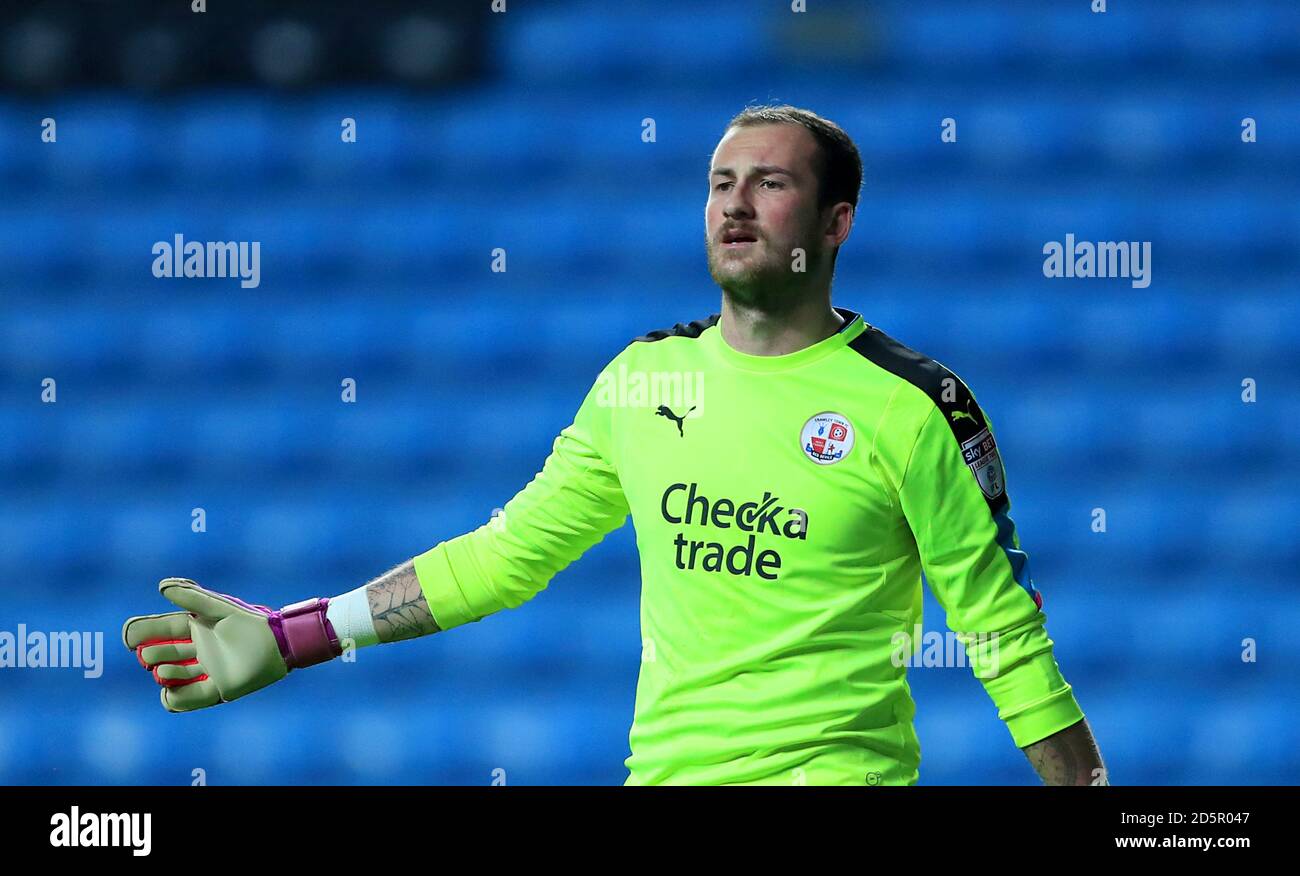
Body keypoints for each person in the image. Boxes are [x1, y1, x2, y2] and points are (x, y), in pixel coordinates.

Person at [123, 105, 1107, 786]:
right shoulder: (644, 382)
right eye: (719, 182)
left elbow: (999, 631)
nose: (733, 204)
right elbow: (507, 557)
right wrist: (297, 636)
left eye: (769, 185)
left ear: (835, 222)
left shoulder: (914, 405)